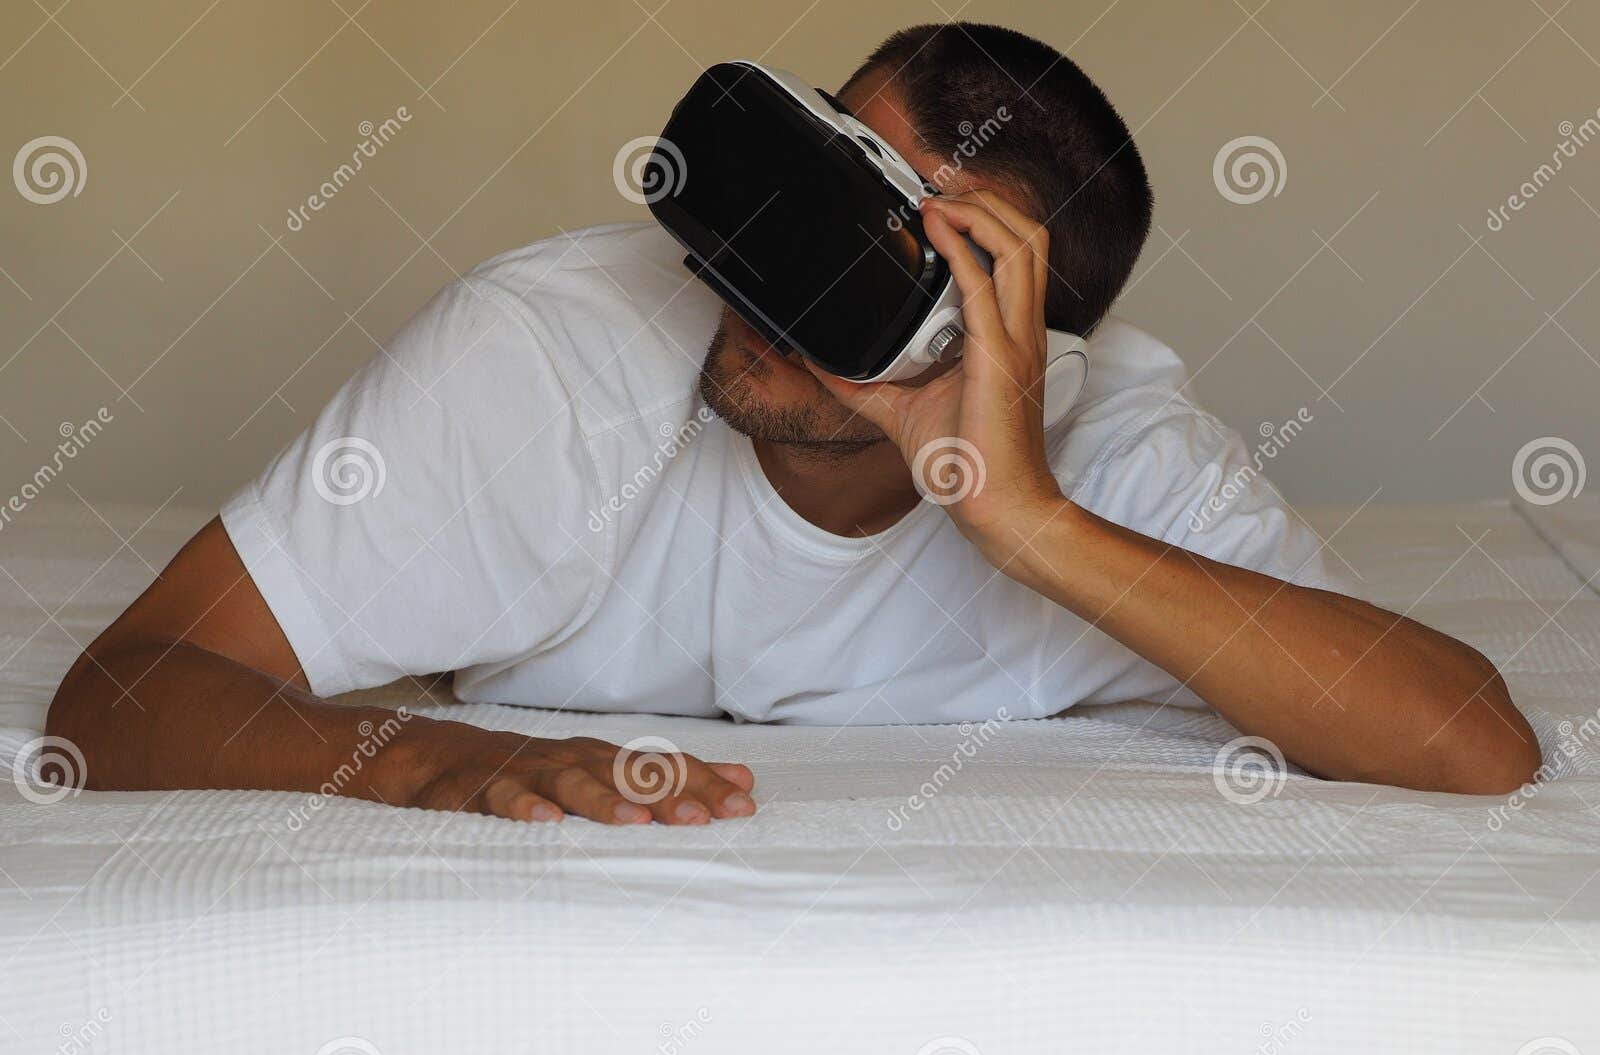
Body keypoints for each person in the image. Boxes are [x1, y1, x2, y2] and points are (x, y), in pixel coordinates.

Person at [46, 23, 1540, 827]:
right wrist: (432, 764)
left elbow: (1472, 745)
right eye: (811, 193)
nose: (781, 281)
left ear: (1026, 350)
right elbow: (121, 693)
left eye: (890, 261)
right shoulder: (559, 351)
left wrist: (1030, 523)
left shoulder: (1112, 447)